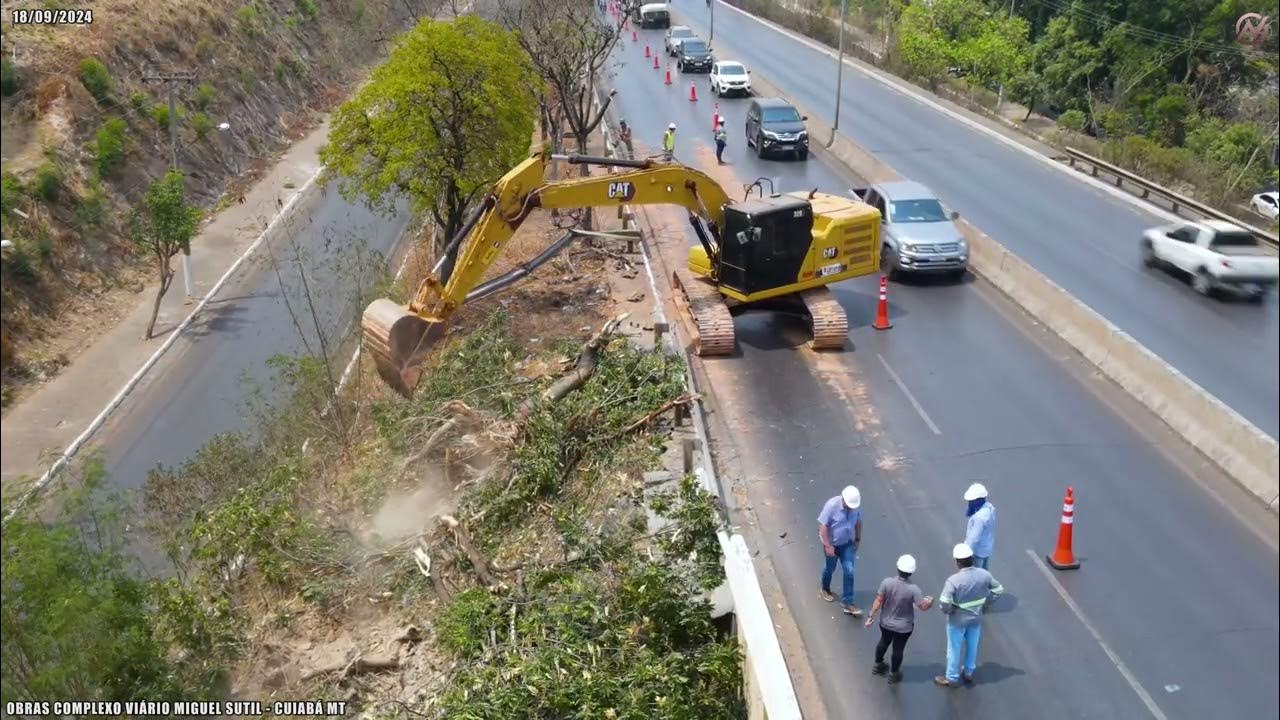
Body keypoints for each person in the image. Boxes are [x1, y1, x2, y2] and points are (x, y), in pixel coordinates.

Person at [935, 543, 1004, 688]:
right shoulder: (984, 574)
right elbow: (998, 589)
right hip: (976, 618)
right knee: (973, 645)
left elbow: (944, 602)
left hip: (957, 620)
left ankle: (952, 677)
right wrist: (986, 603)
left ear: (958, 562)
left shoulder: (954, 580)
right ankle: (968, 672)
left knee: (954, 648)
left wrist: (949, 610)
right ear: (972, 558)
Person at [864, 554, 934, 684]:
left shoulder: (887, 582)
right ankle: (893, 673)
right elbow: (923, 607)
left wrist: (870, 616)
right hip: (904, 627)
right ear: (912, 572)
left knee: (883, 642)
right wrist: (930, 602)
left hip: (885, 623)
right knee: (898, 649)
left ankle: (877, 665)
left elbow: (878, 601)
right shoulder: (914, 590)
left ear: (897, 568)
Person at [817, 485, 863, 617]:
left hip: (847, 544)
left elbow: (859, 522)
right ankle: (825, 588)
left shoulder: (855, 507)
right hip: (832, 544)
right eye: (848, 505)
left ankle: (848, 602)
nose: (850, 508)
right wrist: (827, 546)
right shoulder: (831, 506)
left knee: (849, 571)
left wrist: (858, 539)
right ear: (843, 499)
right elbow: (823, 527)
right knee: (829, 568)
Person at [963, 482, 996, 569]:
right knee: (984, 574)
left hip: (978, 552)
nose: (969, 502)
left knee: (976, 578)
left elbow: (974, 538)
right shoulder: (989, 508)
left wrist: (965, 555)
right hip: (986, 549)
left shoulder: (979, 518)